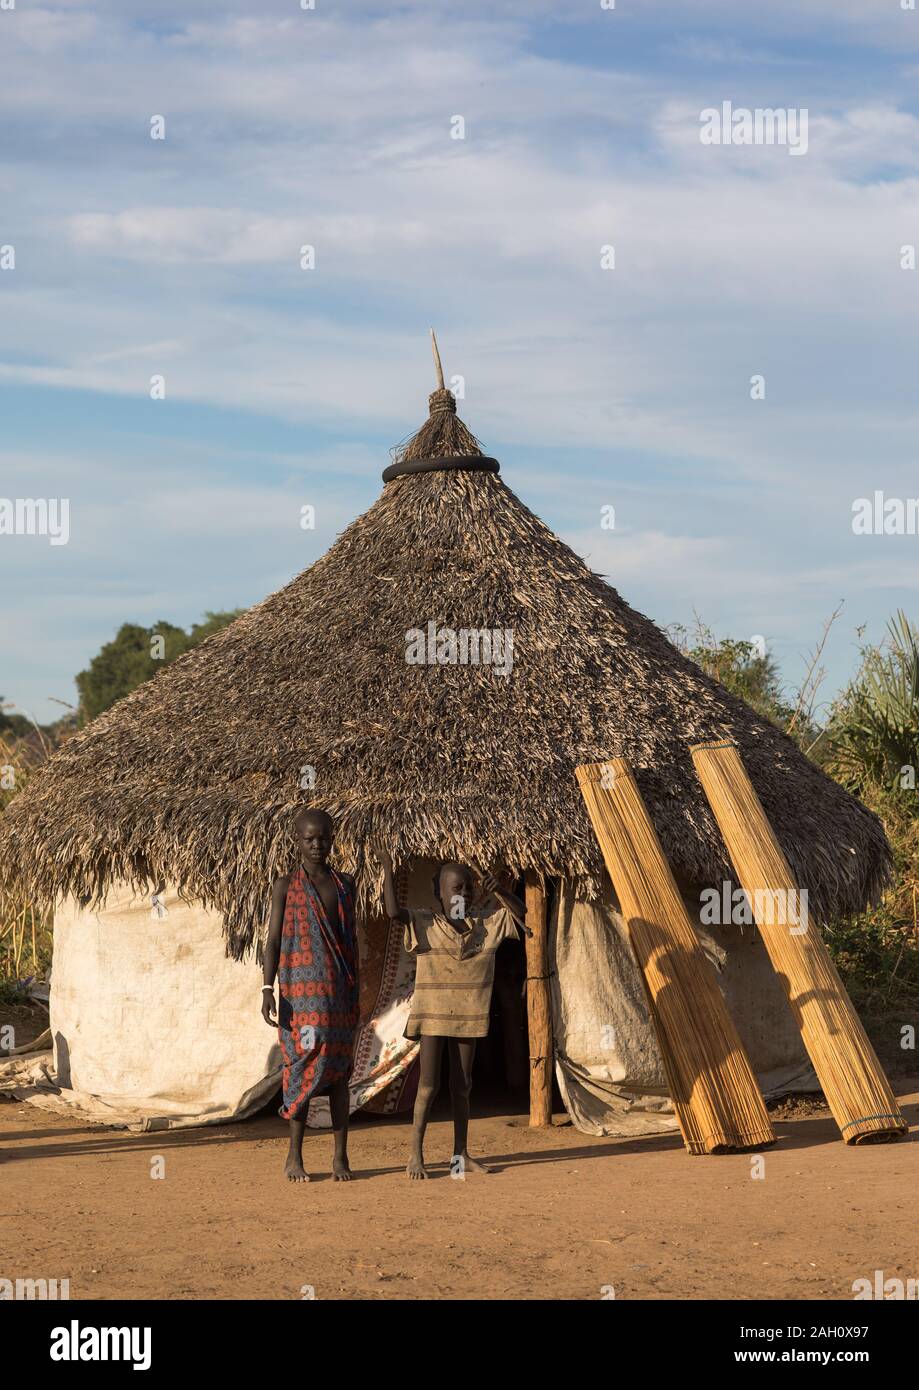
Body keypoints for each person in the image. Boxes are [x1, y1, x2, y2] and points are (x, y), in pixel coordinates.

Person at [376, 848, 526, 1179]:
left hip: (468, 1018)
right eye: (456, 888)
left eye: (468, 887)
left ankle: (460, 1156)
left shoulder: (487, 926)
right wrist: (387, 868)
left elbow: (522, 917)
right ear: (439, 894)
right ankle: (415, 1155)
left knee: (463, 1085)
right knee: (429, 1086)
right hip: (433, 1017)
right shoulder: (424, 923)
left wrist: (500, 891)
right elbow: (391, 912)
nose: (464, 893)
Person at [262, 809, 359, 1182]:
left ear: (332, 838)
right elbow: (272, 941)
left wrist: (354, 994)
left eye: (323, 838)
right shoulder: (285, 885)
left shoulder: (345, 883)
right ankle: (294, 1157)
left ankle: (340, 1158)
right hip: (300, 999)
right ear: (297, 841)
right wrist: (268, 989)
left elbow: (350, 943)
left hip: (338, 995)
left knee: (338, 1075)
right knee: (300, 1069)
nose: (317, 845)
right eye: (309, 839)